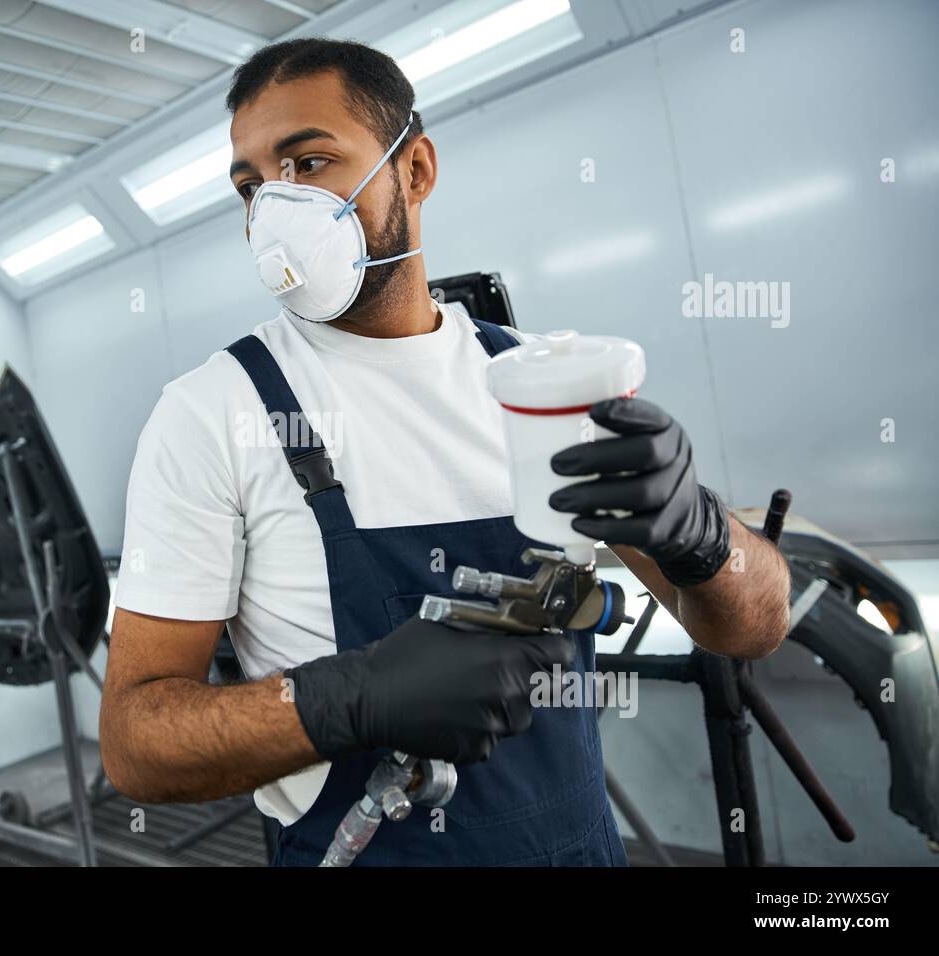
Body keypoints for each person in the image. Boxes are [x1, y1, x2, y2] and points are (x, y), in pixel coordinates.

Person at [99, 38, 790, 866]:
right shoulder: (214, 412)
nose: (274, 209)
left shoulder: (544, 382)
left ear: (415, 170)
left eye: (310, 162)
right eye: (252, 187)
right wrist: (345, 701)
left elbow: (757, 627)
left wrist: (702, 539)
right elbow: (135, 743)